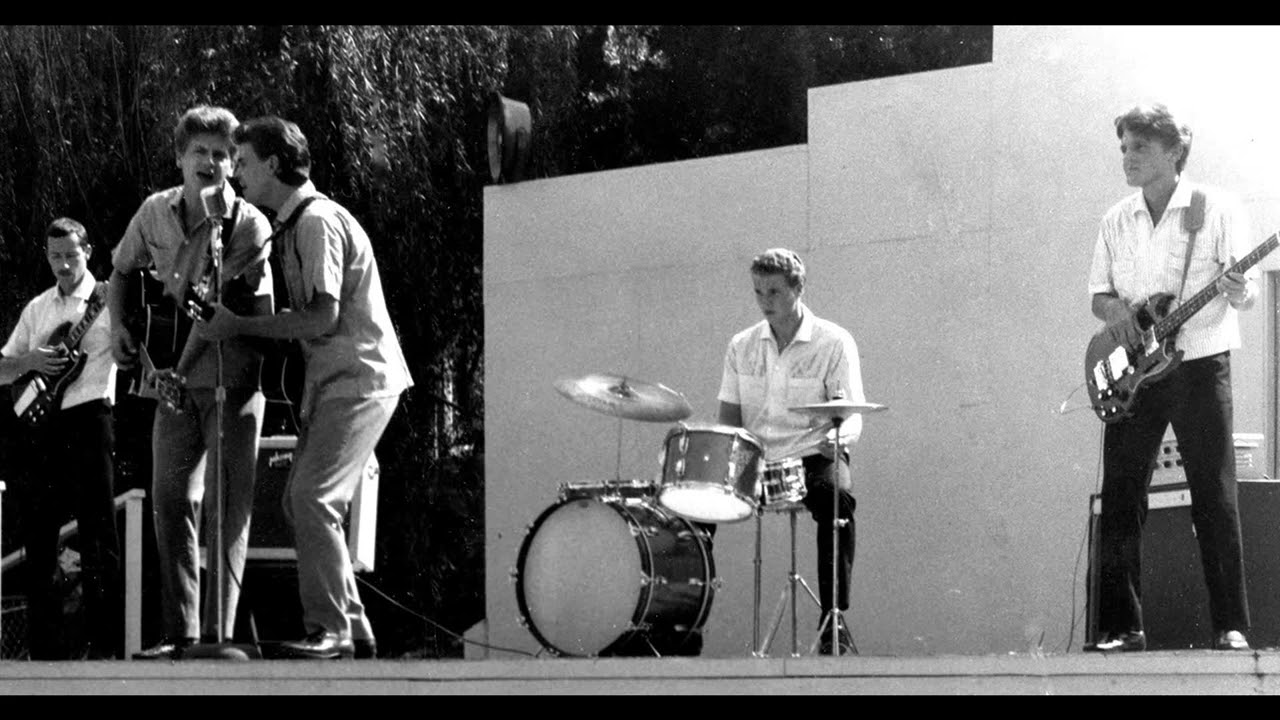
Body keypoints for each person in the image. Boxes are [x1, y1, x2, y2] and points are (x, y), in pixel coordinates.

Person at [196, 116, 413, 660]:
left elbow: (321, 317)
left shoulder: (316, 222)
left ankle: (331, 631)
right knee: (304, 503)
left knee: (312, 499)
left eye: (243, 162)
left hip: (359, 381)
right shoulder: (294, 224)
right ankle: (353, 630)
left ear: (272, 164)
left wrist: (238, 325)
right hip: (335, 384)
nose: (235, 174)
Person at [1085, 103, 1255, 652]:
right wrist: (1121, 315)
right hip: (1136, 372)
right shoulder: (1115, 220)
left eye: (1140, 147)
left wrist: (1239, 290)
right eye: (1124, 148)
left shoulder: (1217, 208)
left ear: (1175, 151)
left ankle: (1230, 626)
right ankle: (1121, 627)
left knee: (1214, 495)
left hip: (1201, 364)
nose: (1127, 157)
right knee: (1121, 496)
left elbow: (1247, 293)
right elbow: (1099, 296)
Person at [106, 105, 274, 660]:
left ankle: (219, 638)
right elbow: (120, 270)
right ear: (180, 157)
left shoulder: (247, 225)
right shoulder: (154, 211)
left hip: (230, 377)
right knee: (170, 499)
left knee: (227, 510)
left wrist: (175, 370)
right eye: (200, 151)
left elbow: (214, 309)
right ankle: (183, 636)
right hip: (172, 384)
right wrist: (120, 328)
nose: (211, 161)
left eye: (223, 154)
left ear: (234, 163)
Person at [716, 248, 864, 655]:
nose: (765, 302)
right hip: (755, 457)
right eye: (758, 292)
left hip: (813, 453)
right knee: (692, 498)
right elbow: (729, 420)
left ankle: (833, 621)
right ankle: (680, 624)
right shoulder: (741, 345)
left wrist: (837, 441)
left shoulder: (833, 342)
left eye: (775, 292)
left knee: (837, 498)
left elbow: (852, 415)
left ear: (798, 289)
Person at [0, 218, 123, 660]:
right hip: (42, 428)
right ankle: (44, 655)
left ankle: (105, 650)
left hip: (91, 415)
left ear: (88, 251)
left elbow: (134, 351)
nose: (64, 265)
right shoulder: (38, 308)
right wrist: (31, 360)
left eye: (71, 255)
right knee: (38, 537)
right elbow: (2, 369)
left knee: (98, 534)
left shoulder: (110, 298)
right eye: (56, 257)